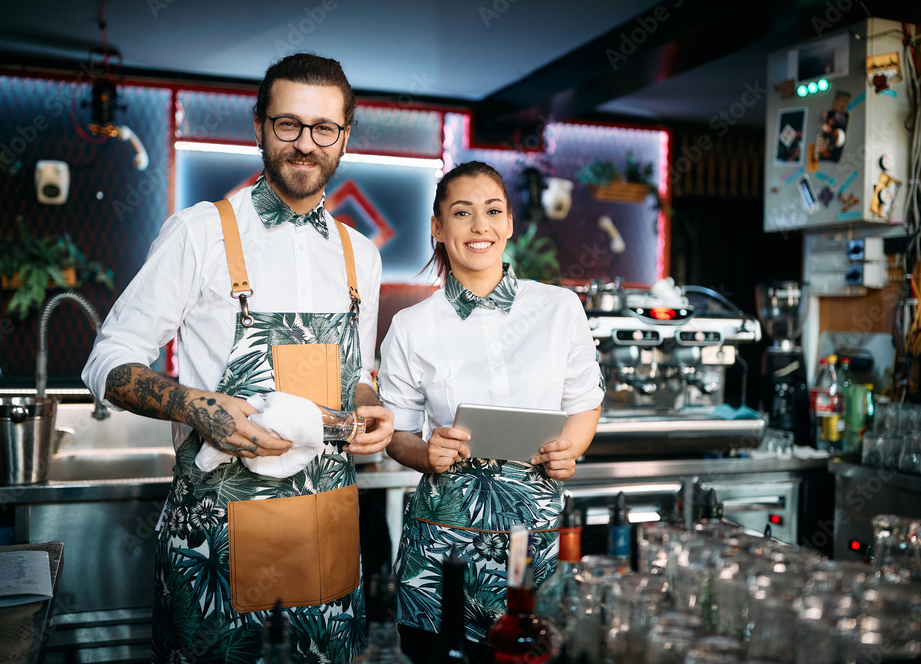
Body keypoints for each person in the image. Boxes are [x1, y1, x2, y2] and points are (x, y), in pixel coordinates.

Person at [82, 53, 394, 664]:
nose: (306, 144)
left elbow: (357, 378)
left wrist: (371, 406)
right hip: (215, 541)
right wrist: (197, 406)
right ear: (258, 126)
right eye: (288, 125)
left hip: (327, 533)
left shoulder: (363, 255)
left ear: (344, 136)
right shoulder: (199, 232)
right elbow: (107, 359)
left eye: (324, 128)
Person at [377, 161, 604, 660]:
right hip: (441, 555)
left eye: (493, 211)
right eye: (462, 213)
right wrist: (427, 453)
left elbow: (585, 403)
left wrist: (572, 449)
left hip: (536, 545)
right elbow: (397, 433)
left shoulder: (560, 308)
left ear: (508, 224)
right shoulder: (412, 326)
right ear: (438, 228)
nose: (480, 226)